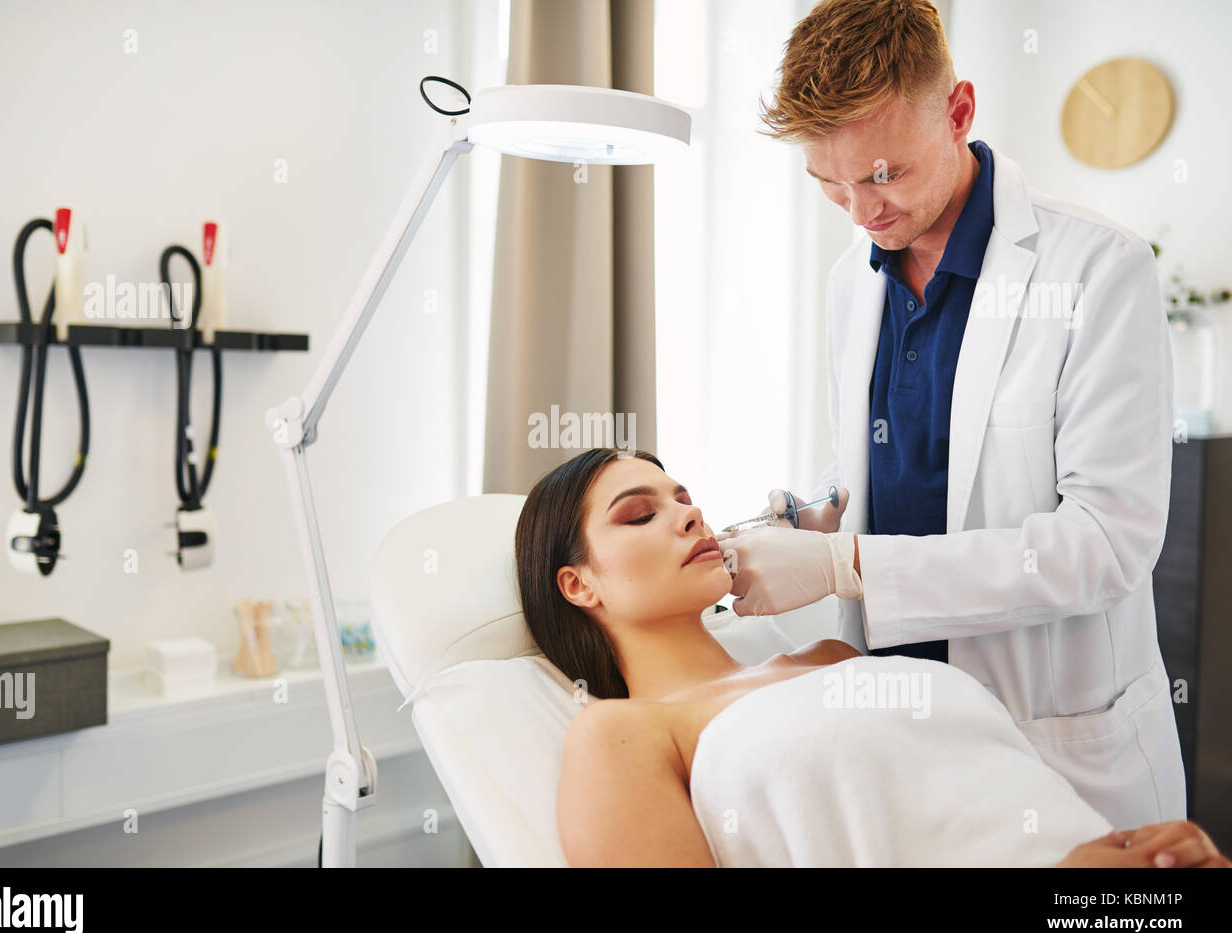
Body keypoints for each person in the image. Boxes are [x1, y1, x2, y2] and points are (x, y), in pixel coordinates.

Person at [719, 0, 1183, 832]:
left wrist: (843, 564)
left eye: (883, 174)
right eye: (830, 183)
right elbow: (909, 462)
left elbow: (1106, 547)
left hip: (1057, 750)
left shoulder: (1098, 272)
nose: (861, 211)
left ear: (959, 112)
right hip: (895, 747)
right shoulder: (850, 284)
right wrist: (821, 515)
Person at [516, 448, 1226, 868]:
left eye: (686, 498)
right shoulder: (621, 733)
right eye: (640, 514)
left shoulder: (827, 656)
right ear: (579, 583)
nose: (688, 515)